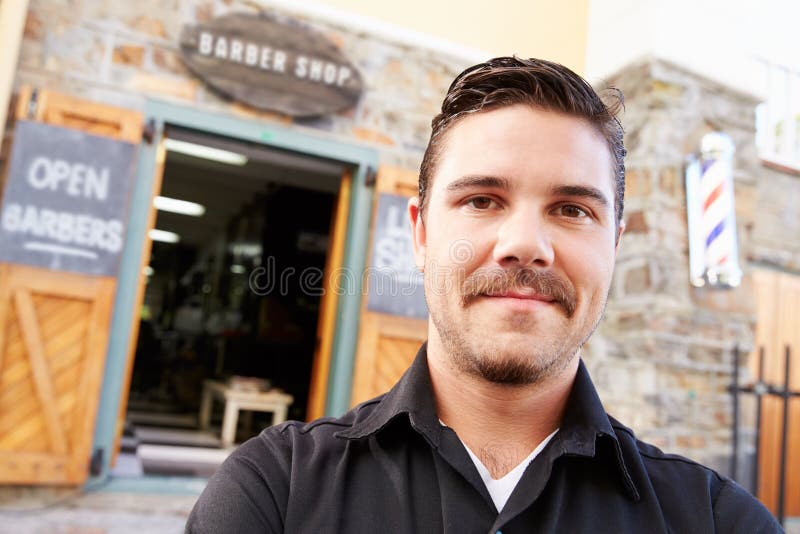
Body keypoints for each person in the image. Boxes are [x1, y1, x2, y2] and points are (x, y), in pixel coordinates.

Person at [186, 57, 780, 533]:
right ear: (420, 235)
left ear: (615, 245)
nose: (525, 244)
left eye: (571, 209)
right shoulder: (274, 494)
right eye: (482, 200)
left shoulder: (716, 520)